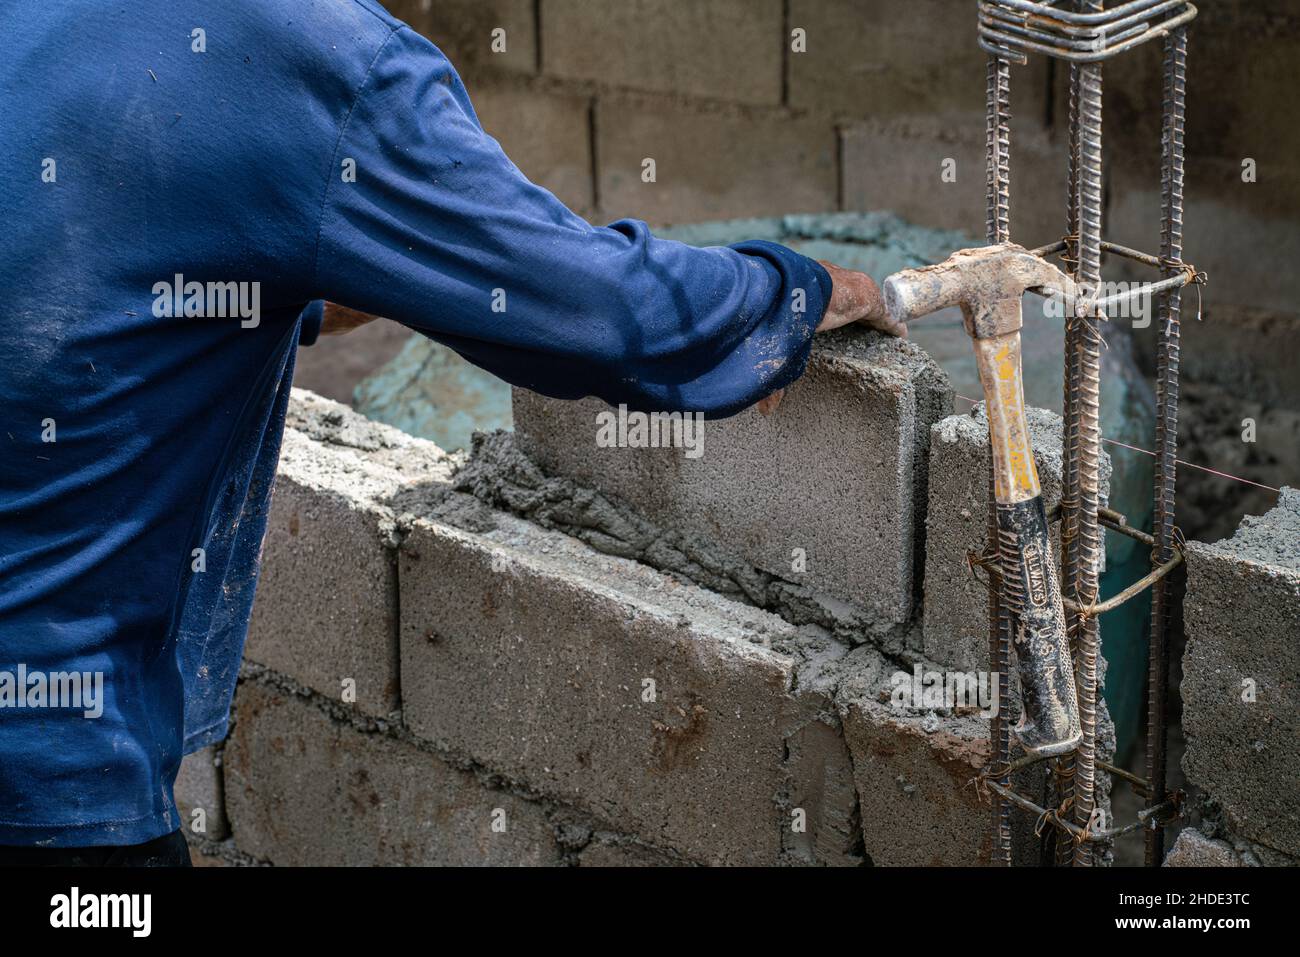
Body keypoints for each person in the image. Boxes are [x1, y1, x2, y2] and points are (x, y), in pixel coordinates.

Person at [0, 0, 901, 864]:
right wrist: (798, 290)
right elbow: (603, 310)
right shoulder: (305, 48)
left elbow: (103, 268)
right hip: (54, 785)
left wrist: (338, 260)